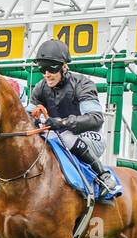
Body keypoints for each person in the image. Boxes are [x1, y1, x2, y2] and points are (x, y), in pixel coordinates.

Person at [28, 39, 119, 194]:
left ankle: (103, 175)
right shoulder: (40, 88)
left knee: (67, 137)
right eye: (42, 69)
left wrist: (63, 123)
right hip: (57, 134)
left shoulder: (82, 84)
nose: (47, 74)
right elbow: (28, 116)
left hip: (88, 135)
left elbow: (96, 118)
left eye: (51, 68)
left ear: (64, 66)